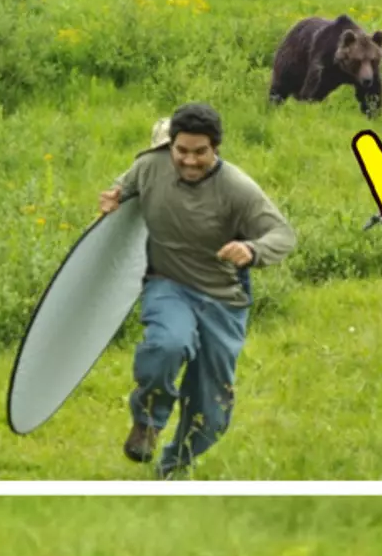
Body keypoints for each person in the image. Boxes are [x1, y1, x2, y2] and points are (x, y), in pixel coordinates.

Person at [98, 102, 296, 477]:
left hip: (223, 301)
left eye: (200, 152)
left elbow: (283, 235)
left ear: (216, 148)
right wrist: (113, 199)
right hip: (168, 284)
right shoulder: (150, 167)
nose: (189, 161)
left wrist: (251, 249)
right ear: (170, 145)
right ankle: (148, 421)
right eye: (181, 151)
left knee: (211, 411)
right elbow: (123, 190)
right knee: (166, 344)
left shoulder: (237, 189)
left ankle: (172, 468)